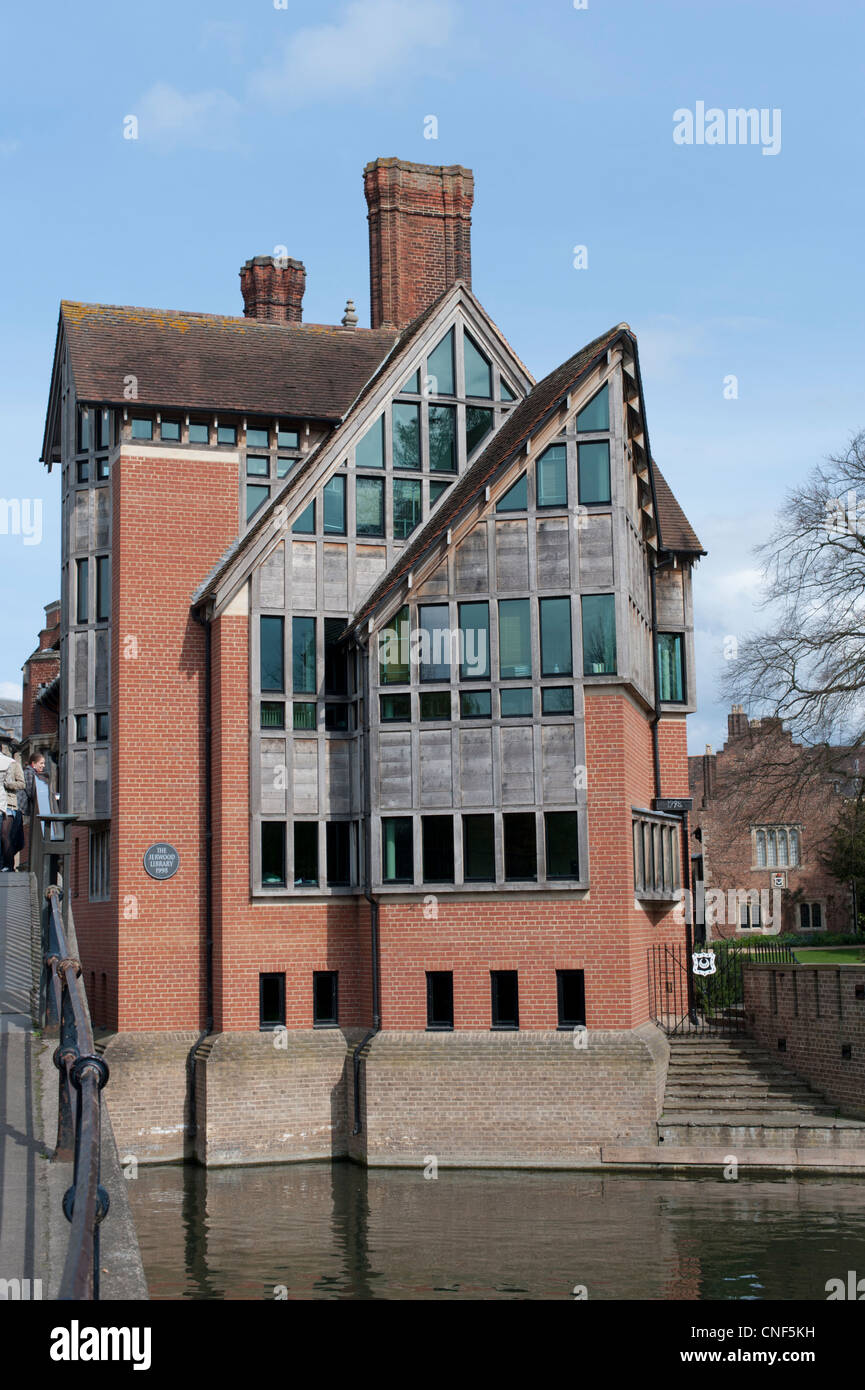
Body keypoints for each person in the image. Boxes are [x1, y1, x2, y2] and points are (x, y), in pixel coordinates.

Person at [0, 747, 26, 871]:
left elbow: (22, 783)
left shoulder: (12, 763)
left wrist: (8, 784)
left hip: (8, 804)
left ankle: (9, 866)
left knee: (5, 834)